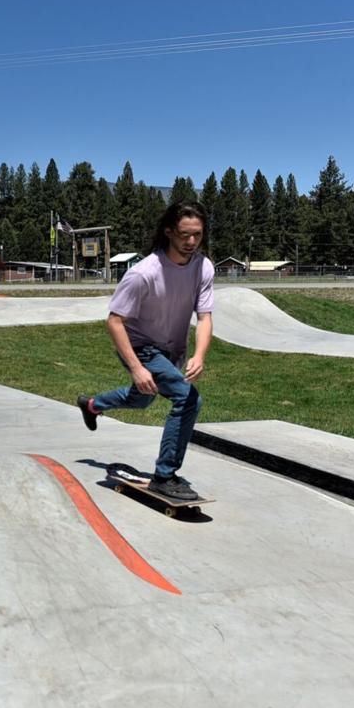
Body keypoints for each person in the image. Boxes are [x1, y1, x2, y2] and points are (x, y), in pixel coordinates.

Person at [77, 202, 214, 500]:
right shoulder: (143, 273)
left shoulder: (203, 267)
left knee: (142, 399)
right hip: (139, 347)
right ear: (168, 232)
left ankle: (92, 405)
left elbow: (204, 316)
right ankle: (165, 475)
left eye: (197, 235)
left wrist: (200, 355)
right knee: (187, 398)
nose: (191, 242)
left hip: (169, 351)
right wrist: (137, 367)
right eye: (184, 235)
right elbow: (114, 321)